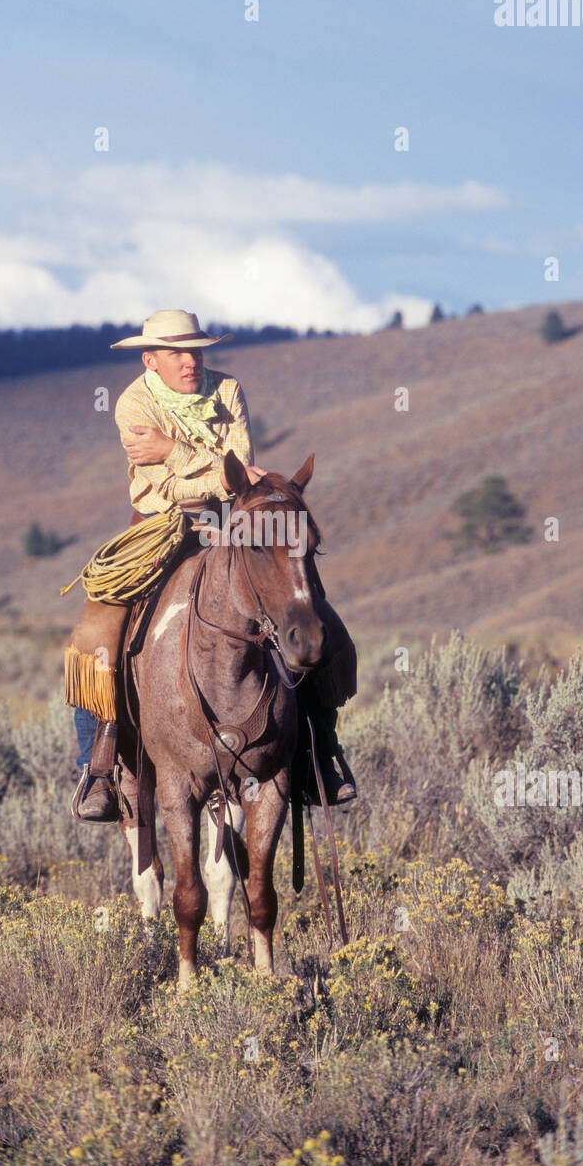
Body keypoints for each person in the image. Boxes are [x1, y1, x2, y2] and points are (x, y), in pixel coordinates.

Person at [63, 308, 356, 821]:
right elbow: (196, 478)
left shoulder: (228, 391)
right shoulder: (133, 402)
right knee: (97, 631)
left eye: (194, 350)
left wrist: (176, 448)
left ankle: (318, 750)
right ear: (150, 359)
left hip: (230, 521)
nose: (188, 360)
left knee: (311, 610)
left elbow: (235, 468)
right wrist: (214, 466)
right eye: (175, 352)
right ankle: (101, 765)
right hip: (156, 525)